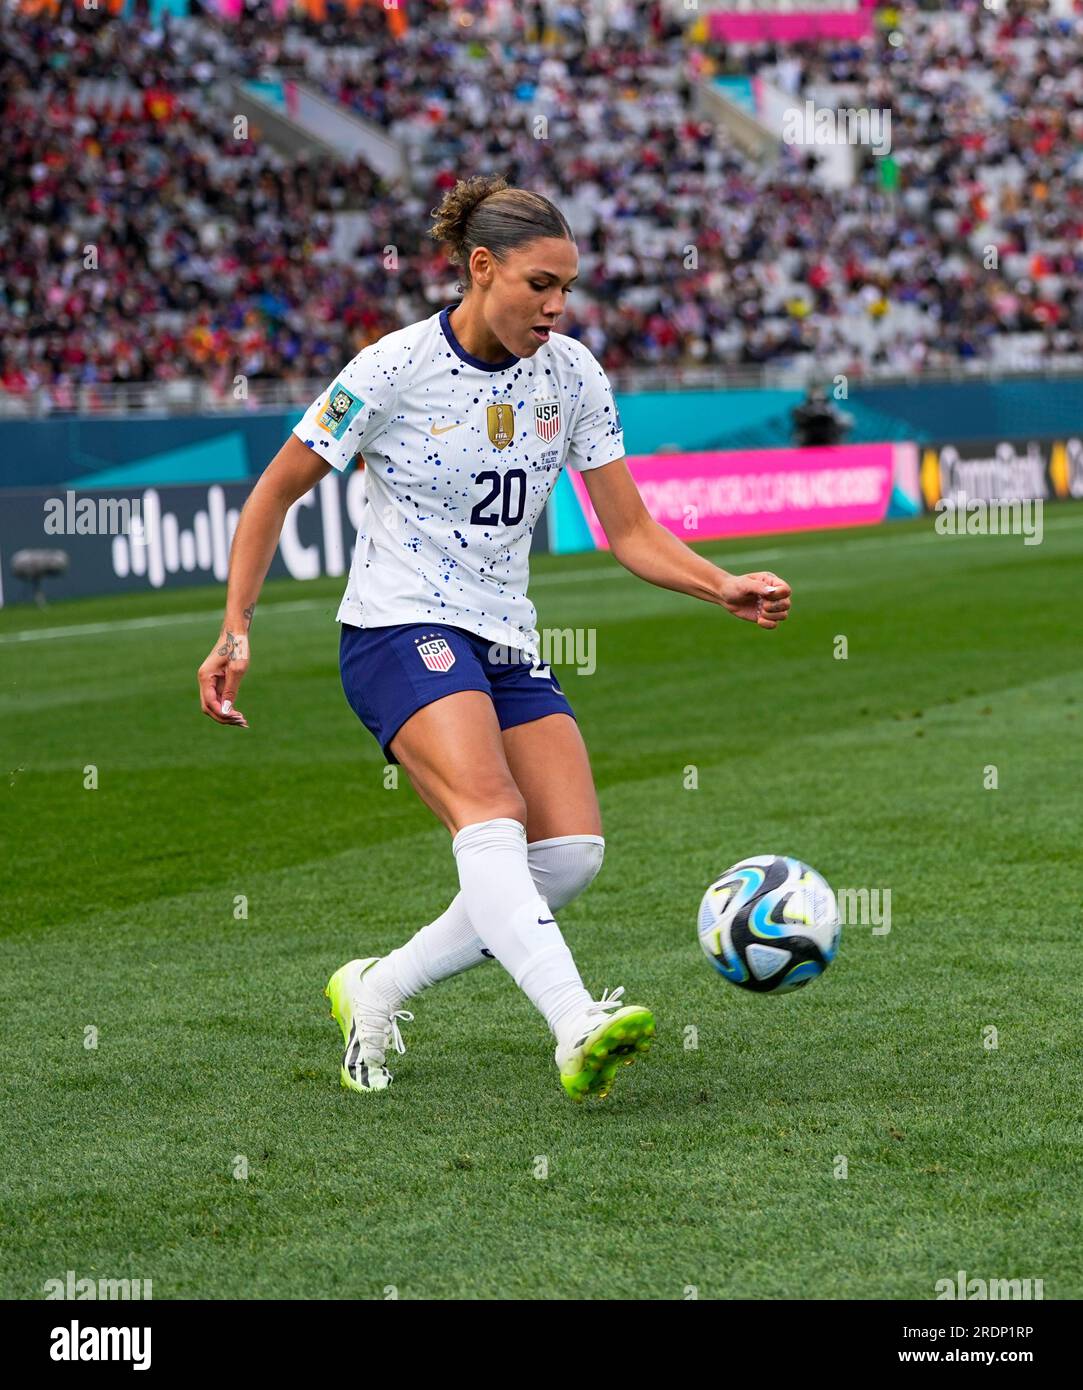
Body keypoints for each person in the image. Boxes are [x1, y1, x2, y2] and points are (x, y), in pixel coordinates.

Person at [197, 174, 792, 1103]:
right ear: (482, 268)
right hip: (398, 625)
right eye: (539, 285)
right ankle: (573, 1022)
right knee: (491, 809)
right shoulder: (390, 369)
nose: (556, 307)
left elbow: (627, 530)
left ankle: (377, 985)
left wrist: (721, 585)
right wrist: (236, 627)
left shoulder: (573, 374)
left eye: (566, 289)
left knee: (570, 855)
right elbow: (274, 490)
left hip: (504, 636)